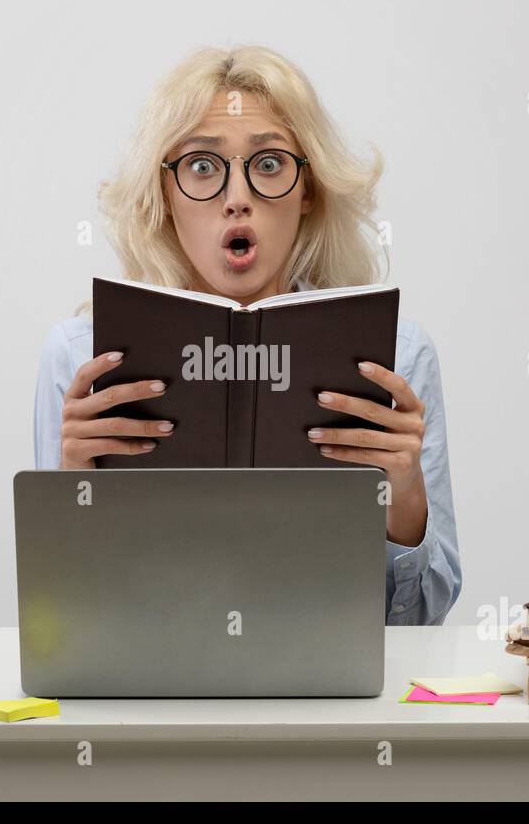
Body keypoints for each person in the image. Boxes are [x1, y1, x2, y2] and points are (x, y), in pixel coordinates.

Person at [33, 46, 461, 625]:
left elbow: (417, 623)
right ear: (165, 194)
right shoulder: (82, 357)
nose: (237, 198)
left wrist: (404, 498)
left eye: (268, 164)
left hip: (331, 701)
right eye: (203, 167)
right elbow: (61, 619)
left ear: (308, 190)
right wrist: (74, 487)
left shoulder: (398, 357)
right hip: (146, 698)